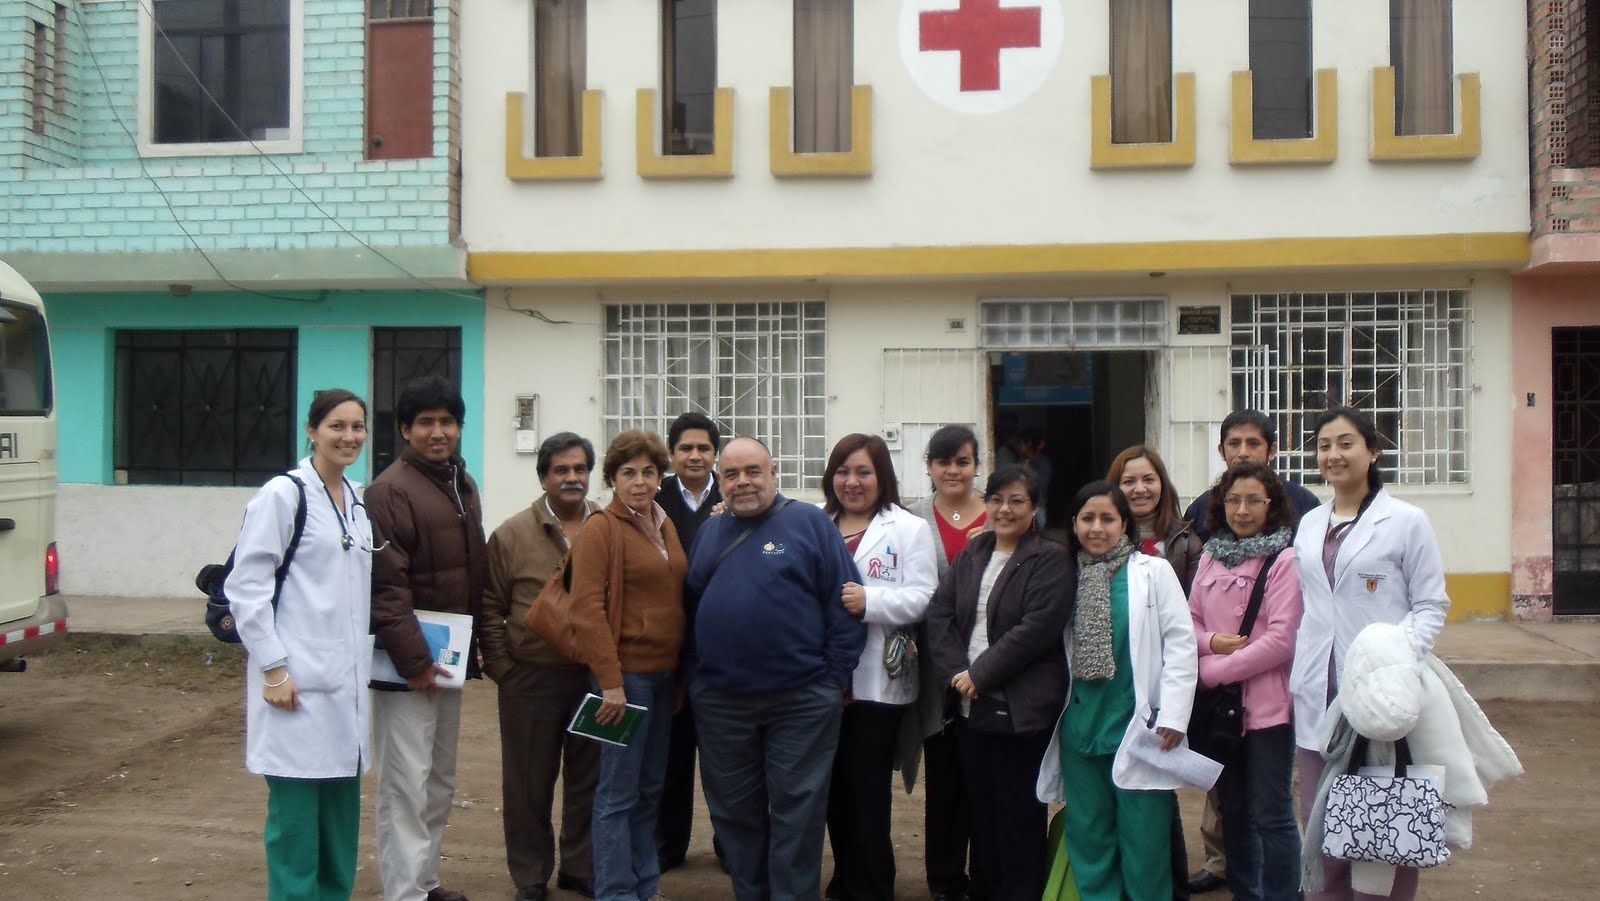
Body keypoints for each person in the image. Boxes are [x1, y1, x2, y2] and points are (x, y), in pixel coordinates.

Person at [684, 437, 866, 901]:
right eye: (731, 474)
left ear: (773, 472)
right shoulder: (710, 531)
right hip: (722, 702)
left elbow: (845, 603)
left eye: (752, 471)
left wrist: (830, 680)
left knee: (797, 814)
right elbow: (692, 603)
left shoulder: (809, 524)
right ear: (719, 481)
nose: (742, 482)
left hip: (800, 701)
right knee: (734, 816)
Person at [1291, 406, 1450, 901]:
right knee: (1325, 829)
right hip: (1319, 699)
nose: (1333, 454)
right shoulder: (1310, 524)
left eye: (1345, 443)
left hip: (1384, 701)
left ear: (1373, 451)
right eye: (1324, 445)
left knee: (1387, 830)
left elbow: (1430, 604)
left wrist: (1401, 661)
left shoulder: (1406, 521)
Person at [227, 388, 377, 901]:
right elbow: (246, 588)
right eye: (337, 426)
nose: (349, 436)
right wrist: (273, 667)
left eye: (358, 427)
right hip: (293, 685)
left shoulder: (357, 500)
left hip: (345, 692)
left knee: (339, 831)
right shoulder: (282, 495)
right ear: (312, 431)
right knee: (295, 831)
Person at [1180, 409, 1320, 896]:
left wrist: (1214, 670)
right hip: (1221, 713)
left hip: (1266, 710)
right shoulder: (1211, 556)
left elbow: (1282, 641)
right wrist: (1209, 646)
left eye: (1253, 501)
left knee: (1272, 814)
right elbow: (1189, 622)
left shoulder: (1285, 560)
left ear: (1270, 503)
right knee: (1234, 812)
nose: (1242, 510)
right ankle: (1245, 891)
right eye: (1234, 500)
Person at [1036, 480, 1198, 901]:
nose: (1096, 528)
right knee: (1090, 838)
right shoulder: (1063, 576)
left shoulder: (1153, 571)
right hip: (1080, 730)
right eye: (1087, 519)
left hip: (1140, 727)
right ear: (1073, 524)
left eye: (1107, 518)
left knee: (1145, 843)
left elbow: (1182, 645)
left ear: (1124, 524)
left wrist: (1174, 716)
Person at [926, 465, 1076, 901]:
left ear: (1034, 509)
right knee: (981, 811)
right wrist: (958, 674)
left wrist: (980, 674)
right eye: (996, 499)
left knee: (1017, 815)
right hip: (970, 707)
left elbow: (1035, 630)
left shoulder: (1050, 559)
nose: (1004, 509)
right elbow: (939, 615)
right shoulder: (973, 554)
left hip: (1019, 711)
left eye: (1017, 501)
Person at [367, 377, 488, 901]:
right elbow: (386, 586)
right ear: (405, 430)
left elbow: (472, 568)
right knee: (405, 781)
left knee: (438, 778)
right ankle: (404, 892)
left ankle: (426, 880)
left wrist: (476, 640)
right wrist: (415, 662)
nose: (439, 433)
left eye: (448, 422)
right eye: (426, 423)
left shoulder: (460, 482)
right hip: (407, 663)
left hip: (450, 654)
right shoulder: (389, 490)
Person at [478, 432, 602, 901]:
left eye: (579, 469)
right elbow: (490, 605)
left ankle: (580, 866)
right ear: (543, 477)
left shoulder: (607, 526)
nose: (572, 478)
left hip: (593, 678)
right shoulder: (512, 533)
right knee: (529, 782)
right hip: (530, 678)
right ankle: (530, 874)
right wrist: (505, 671)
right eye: (561, 470)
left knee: (590, 777)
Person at [567, 430, 688, 901]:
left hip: (661, 678)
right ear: (613, 478)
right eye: (628, 473)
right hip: (623, 681)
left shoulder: (664, 522)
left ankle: (645, 885)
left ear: (661, 476)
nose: (640, 482)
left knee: (650, 788)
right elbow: (586, 609)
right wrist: (611, 684)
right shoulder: (602, 529)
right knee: (617, 794)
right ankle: (616, 892)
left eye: (649, 472)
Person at [820, 434, 938, 901]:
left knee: (866, 788)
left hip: (875, 681)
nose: (852, 482)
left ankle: (873, 884)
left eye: (863, 472)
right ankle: (845, 875)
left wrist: (871, 601)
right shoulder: (815, 522)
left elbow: (924, 597)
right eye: (843, 471)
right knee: (830, 788)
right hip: (823, 679)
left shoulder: (907, 529)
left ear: (881, 476)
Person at [903, 425, 989, 901]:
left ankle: (987, 874)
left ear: (977, 465)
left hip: (992, 667)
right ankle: (945, 878)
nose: (952, 471)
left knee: (985, 775)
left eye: (962, 461)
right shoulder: (911, 518)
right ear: (930, 467)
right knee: (945, 775)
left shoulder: (1001, 513)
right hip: (934, 669)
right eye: (943, 462)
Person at [653, 412, 725, 874]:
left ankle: (732, 845)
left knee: (726, 761)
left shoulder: (735, 493)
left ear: (715, 454)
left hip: (724, 650)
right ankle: (667, 845)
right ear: (672, 455)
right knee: (671, 756)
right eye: (685, 448)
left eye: (703, 448)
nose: (694, 456)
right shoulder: (651, 499)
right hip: (670, 647)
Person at [1183, 409, 1321, 542]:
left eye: (1253, 444)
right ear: (1221, 450)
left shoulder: (1304, 503)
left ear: (1271, 451)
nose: (1243, 453)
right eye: (1234, 444)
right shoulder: (1200, 510)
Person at [1108, 446, 1202, 592]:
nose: (1139, 489)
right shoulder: (1103, 540)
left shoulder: (1186, 543)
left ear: (1162, 485)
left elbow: (1195, 606)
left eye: (1149, 480)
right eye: (1129, 482)